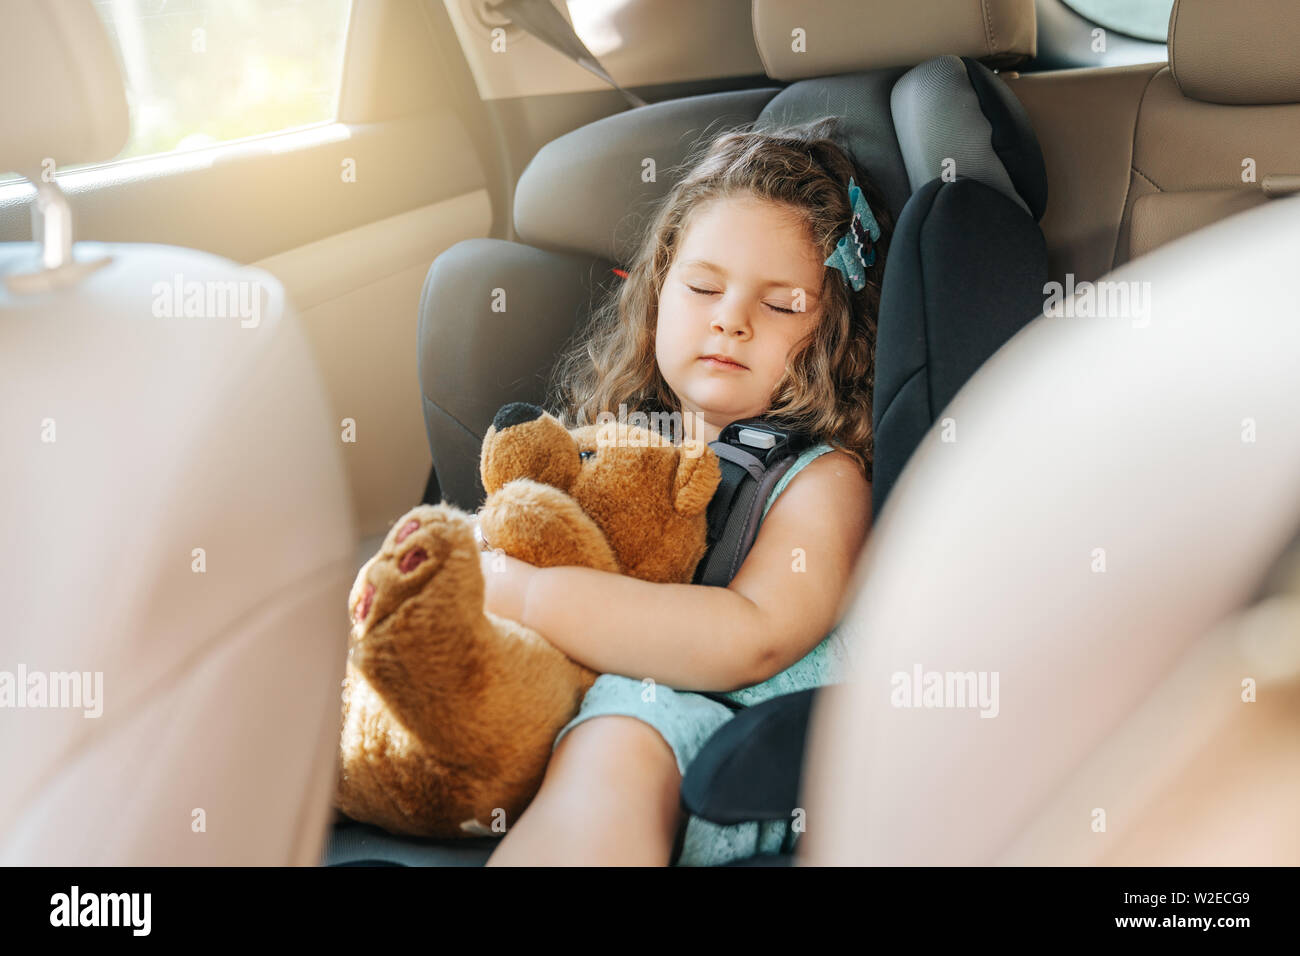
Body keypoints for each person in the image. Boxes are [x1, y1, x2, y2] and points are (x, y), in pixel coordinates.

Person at [479, 116, 892, 866]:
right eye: (704, 286)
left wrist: (530, 596)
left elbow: (753, 634)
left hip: (740, 736)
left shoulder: (823, 478)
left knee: (615, 747)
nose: (730, 320)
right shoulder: (621, 438)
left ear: (835, 334)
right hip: (604, 693)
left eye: (782, 305)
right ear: (658, 292)